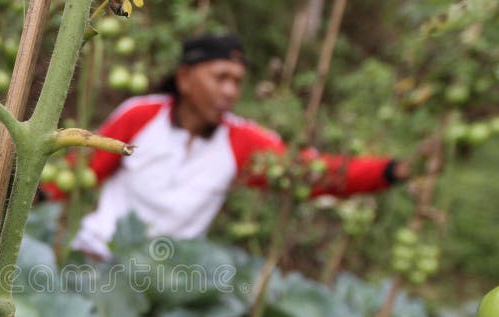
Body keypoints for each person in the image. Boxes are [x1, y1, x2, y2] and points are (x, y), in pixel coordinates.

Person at [40, 33, 410, 260]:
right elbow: (79, 171)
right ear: (185, 77)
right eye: (221, 78)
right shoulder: (139, 115)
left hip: (163, 280)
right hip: (95, 256)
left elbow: (309, 173)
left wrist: (389, 171)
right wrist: (34, 194)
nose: (231, 91)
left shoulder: (243, 142)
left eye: (237, 81)